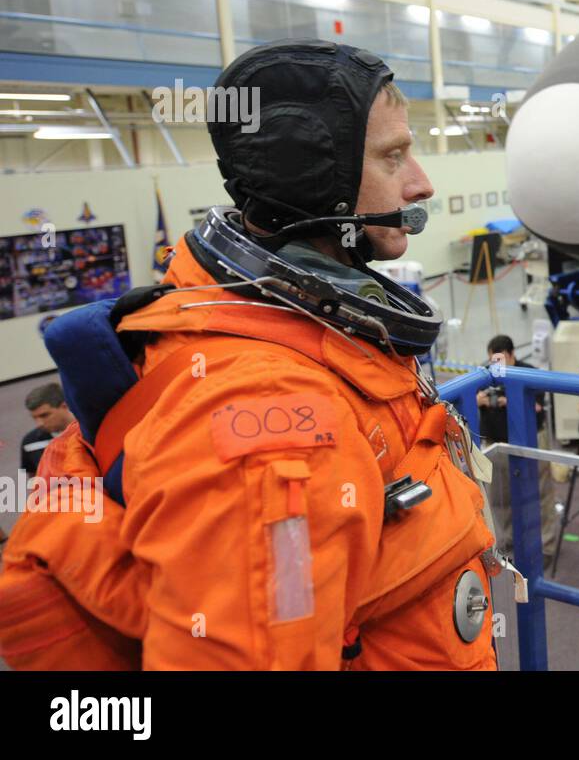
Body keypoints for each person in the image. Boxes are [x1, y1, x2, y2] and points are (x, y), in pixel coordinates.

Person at [0, 40, 500, 670]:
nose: (420, 181)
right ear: (318, 178)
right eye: (393, 156)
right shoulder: (271, 428)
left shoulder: (276, 330)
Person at [476, 334, 561, 559]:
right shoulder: (485, 375)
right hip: (496, 443)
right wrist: (480, 399)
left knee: (541, 493)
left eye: (501, 360)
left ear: (512, 355)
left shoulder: (528, 373)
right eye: (493, 361)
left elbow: (537, 407)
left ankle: (547, 544)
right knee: (499, 496)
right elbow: (474, 397)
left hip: (531, 440)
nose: (497, 366)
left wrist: (509, 401)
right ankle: (507, 541)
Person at [20, 383, 74, 475]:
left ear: (64, 406)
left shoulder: (91, 433)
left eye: (44, 415)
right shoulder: (29, 442)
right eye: (34, 418)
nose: (39, 424)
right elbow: (34, 477)